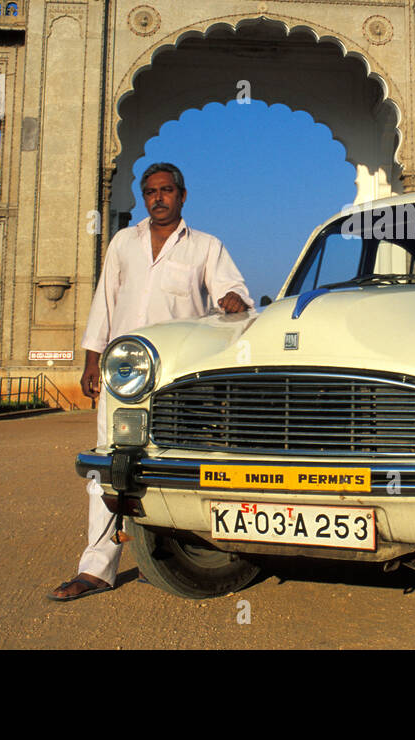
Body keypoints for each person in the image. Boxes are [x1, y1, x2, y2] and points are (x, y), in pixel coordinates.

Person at [48, 162, 251, 601]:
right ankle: (97, 568)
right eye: (150, 192)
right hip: (124, 377)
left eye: (165, 190)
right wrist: (91, 361)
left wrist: (233, 299)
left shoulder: (205, 247)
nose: (158, 198)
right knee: (108, 467)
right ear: (145, 198)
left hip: (179, 382)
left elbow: (232, 292)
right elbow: (105, 302)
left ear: (182, 195)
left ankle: (166, 558)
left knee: (171, 467)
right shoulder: (124, 242)